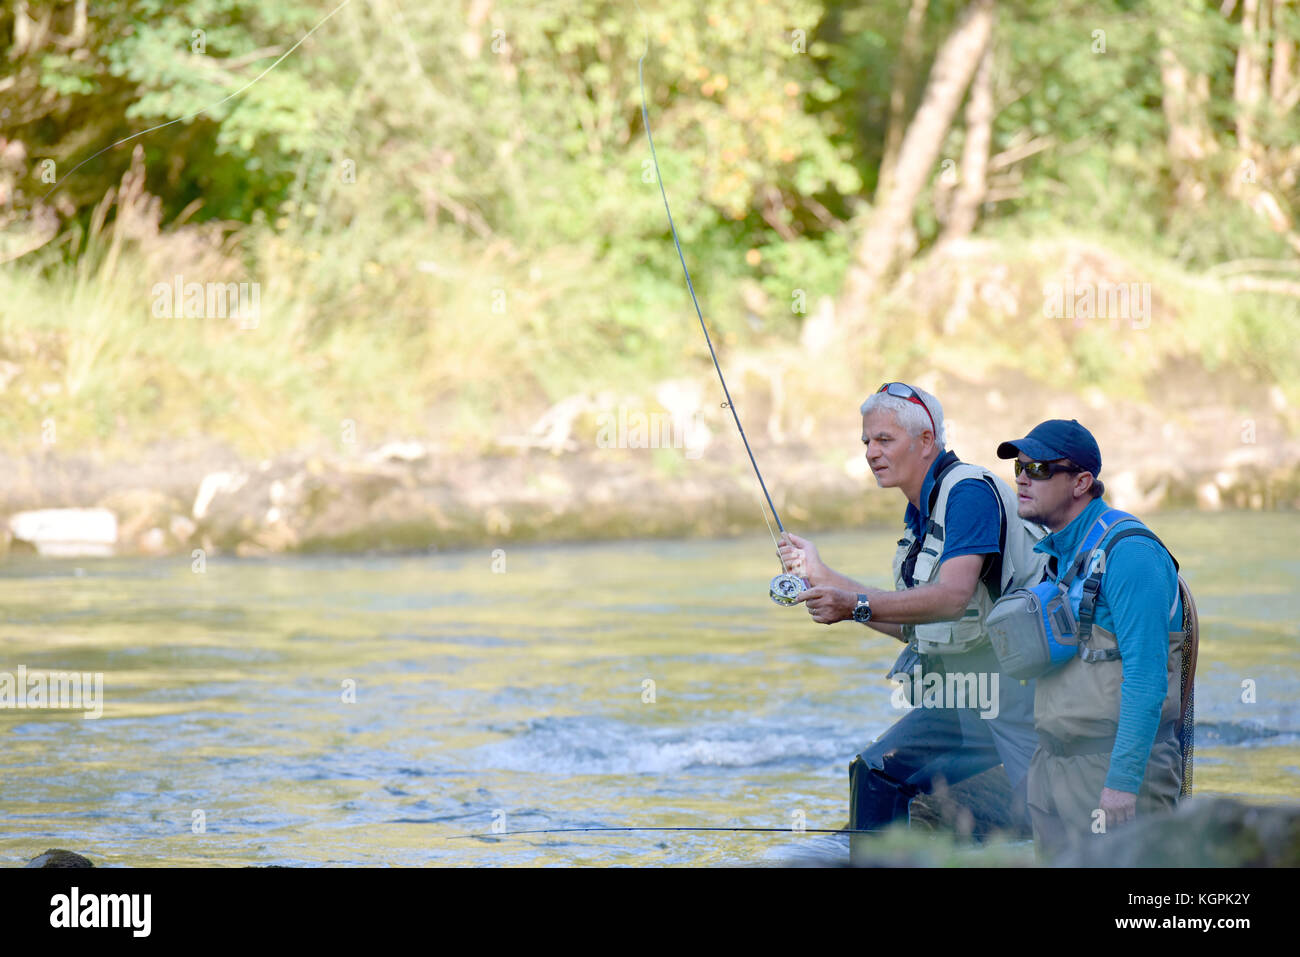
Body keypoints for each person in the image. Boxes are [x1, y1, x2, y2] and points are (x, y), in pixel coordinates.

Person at [777, 382, 1045, 842]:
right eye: (866, 441)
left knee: (1050, 824)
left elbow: (951, 597)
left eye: (884, 440)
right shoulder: (922, 509)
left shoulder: (968, 493)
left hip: (1022, 689)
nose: (871, 453)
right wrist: (823, 577)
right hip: (973, 691)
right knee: (875, 772)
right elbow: (914, 623)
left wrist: (854, 604)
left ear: (926, 442)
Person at [993, 419, 1185, 859]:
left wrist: (1121, 783)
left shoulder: (1132, 554)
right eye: (1019, 468)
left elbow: (1146, 678)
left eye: (1039, 469)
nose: (1022, 477)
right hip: (1052, 769)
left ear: (1081, 482)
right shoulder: (1055, 554)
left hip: (1113, 772)